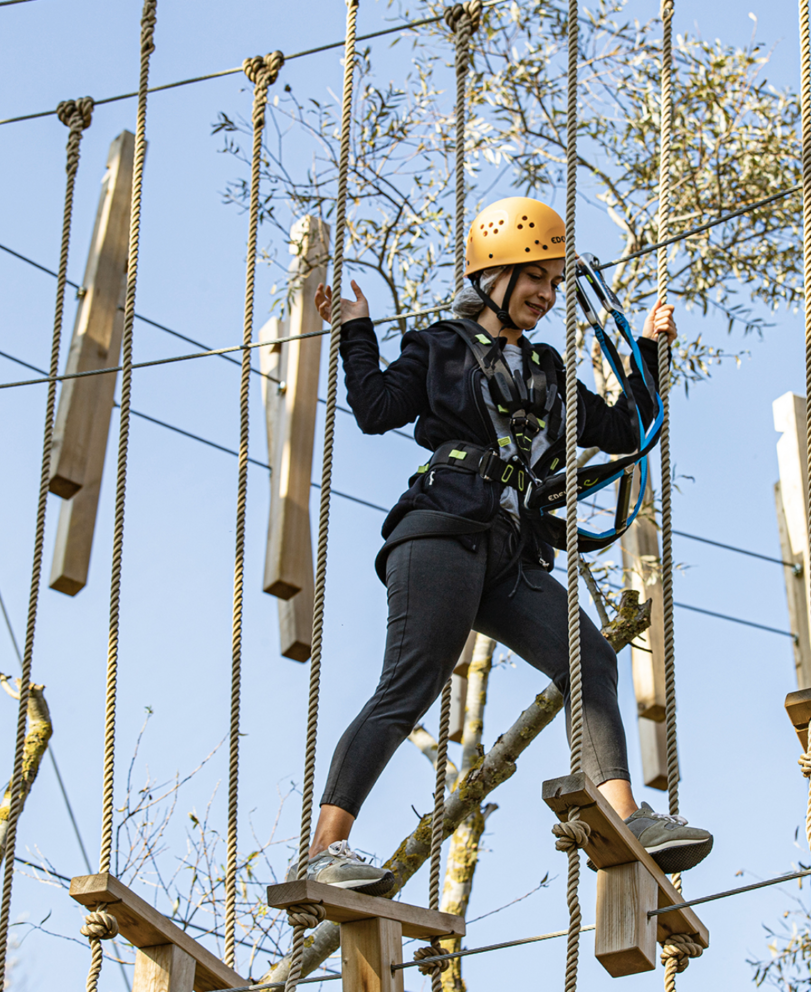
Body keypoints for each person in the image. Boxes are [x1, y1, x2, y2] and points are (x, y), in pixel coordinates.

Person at [289, 196, 713, 895]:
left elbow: (627, 426)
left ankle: (624, 813)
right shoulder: (439, 346)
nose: (547, 296)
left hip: (509, 552)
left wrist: (648, 349)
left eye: (554, 284)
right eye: (536, 280)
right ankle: (323, 850)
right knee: (412, 685)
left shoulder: (545, 369)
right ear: (495, 275)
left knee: (590, 658)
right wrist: (355, 329)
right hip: (442, 529)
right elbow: (375, 409)